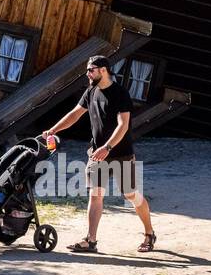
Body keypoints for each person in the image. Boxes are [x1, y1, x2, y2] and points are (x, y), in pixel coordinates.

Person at [40, 55, 156, 254]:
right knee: (96, 195)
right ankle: (90, 240)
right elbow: (75, 114)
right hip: (96, 153)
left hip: (120, 153)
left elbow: (123, 125)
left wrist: (107, 147)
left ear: (103, 70)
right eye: (87, 70)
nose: (88, 73)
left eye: (91, 69)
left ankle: (149, 233)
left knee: (131, 195)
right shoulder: (91, 91)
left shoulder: (120, 94)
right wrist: (53, 130)